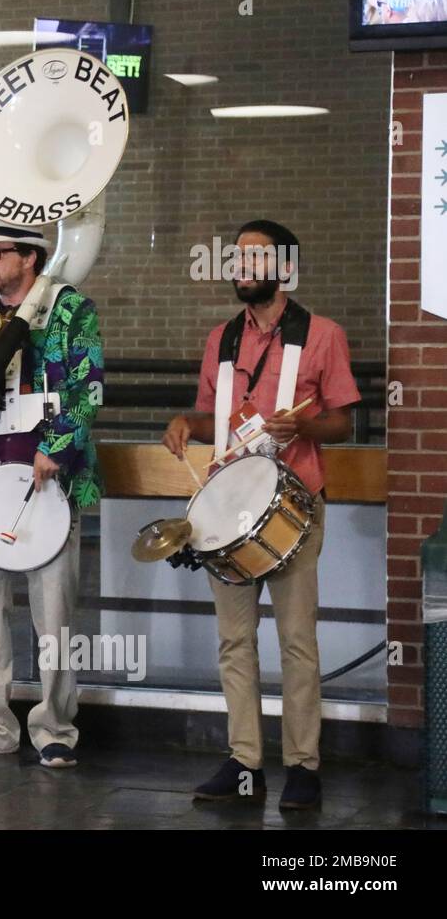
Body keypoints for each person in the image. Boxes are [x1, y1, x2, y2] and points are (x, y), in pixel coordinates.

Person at [162, 219, 361, 810]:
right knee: (234, 641)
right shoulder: (221, 338)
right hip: (228, 512)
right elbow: (214, 418)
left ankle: (304, 765)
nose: (241, 267)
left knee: (298, 641)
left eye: (255, 258)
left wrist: (303, 424)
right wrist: (185, 423)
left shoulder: (322, 335)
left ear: (284, 268)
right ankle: (245, 763)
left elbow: (346, 422)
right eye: (237, 258)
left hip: (293, 507)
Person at [0, 219, 104, 769]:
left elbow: (88, 387)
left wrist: (57, 447)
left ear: (30, 257)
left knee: (52, 607)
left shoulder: (70, 309)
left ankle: (54, 726)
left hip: (45, 474)